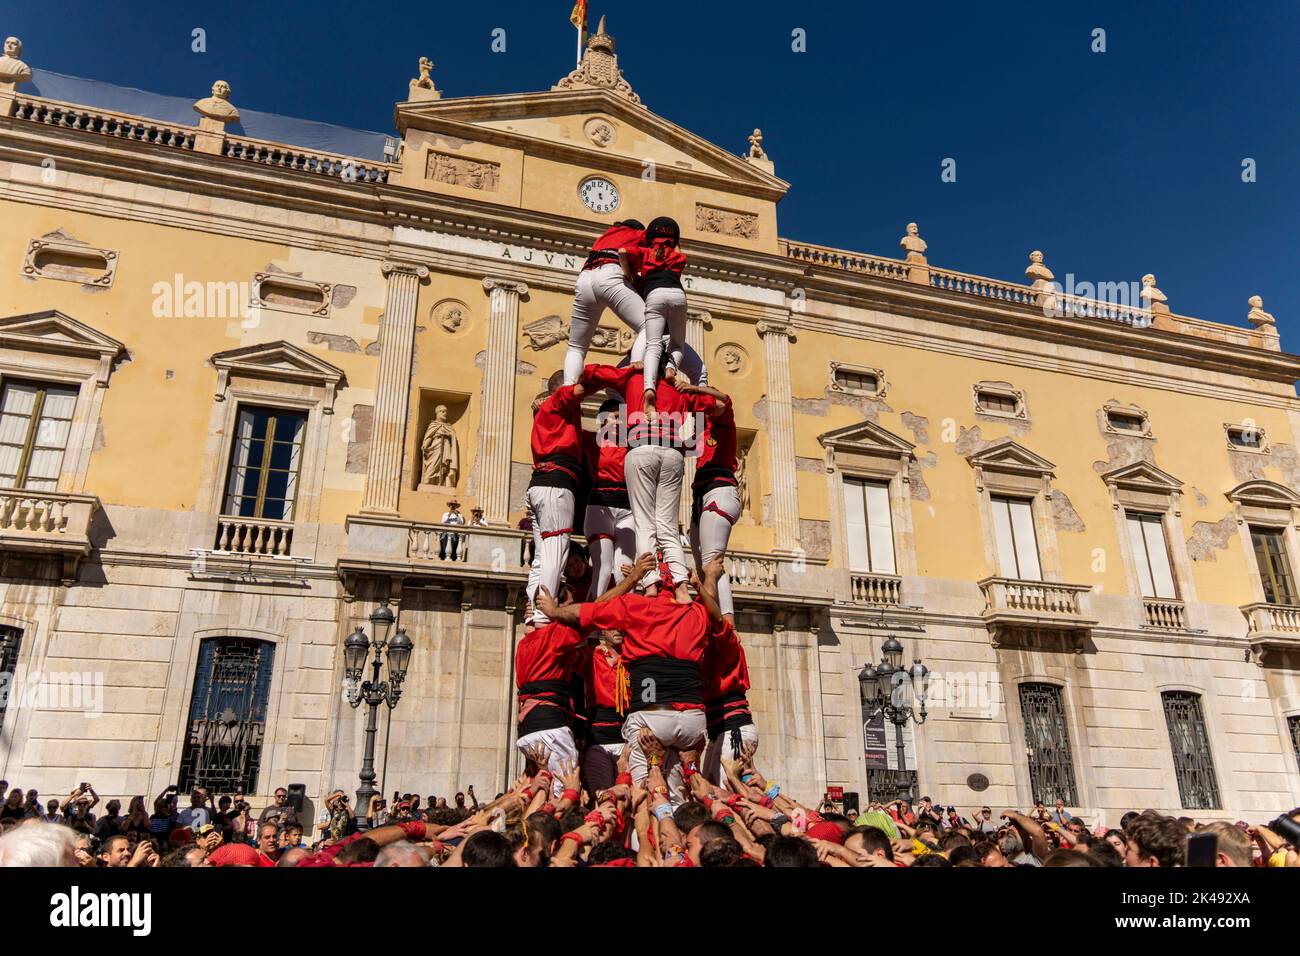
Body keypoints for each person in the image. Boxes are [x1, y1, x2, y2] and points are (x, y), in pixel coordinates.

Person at [536, 554, 723, 794]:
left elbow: (591, 611)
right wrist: (708, 578)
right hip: (694, 721)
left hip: (654, 715)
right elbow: (713, 606)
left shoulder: (636, 606)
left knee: (644, 792)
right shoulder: (697, 611)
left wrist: (553, 612)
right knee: (678, 793)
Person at [583, 360, 712, 599]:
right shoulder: (677, 387)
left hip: (642, 448)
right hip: (672, 452)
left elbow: (591, 371)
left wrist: (629, 367)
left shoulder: (634, 379)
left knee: (644, 524)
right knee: (668, 527)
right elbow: (699, 430)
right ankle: (682, 586)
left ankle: (651, 583)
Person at [524, 370, 598, 624]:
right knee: (557, 549)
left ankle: (533, 611)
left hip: (539, 486)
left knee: (542, 556)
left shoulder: (555, 415)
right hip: (555, 485)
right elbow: (581, 389)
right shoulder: (558, 403)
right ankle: (545, 615)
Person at [675, 377, 739, 619]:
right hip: (700, 494)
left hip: (719, 488)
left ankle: (727, 623)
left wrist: (692, 388)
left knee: (712, 563)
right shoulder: (702, 427)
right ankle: (713, 617)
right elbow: (682, 447)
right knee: (704, 568)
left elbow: (723, 400)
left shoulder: (723, 421)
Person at [564, 219, 647, 385]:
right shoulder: (638, 234)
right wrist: (630, 275)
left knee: (576, 346)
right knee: (649, 324)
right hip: (610, 273)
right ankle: (635, 372)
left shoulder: (605, 236)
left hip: (585, 278)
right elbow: (627, 252)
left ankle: (568, 389)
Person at [513, 613, 586, 795]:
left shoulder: (523, 644)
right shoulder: (553, 635)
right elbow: (586, 615)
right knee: (565, 792)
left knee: (540, 791)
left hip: (526, 731)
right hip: (550, 727)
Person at [582, 398, 636, 600]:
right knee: (603, 570)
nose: (621, 422)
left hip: (627, 507)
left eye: (623, 418)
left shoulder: (632, 443)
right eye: (616, 417)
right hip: (600, 505)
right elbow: (564, 428)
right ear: (603, 420)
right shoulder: (591, 439)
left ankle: (624, 626)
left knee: (625, 572)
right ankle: (590, 626)